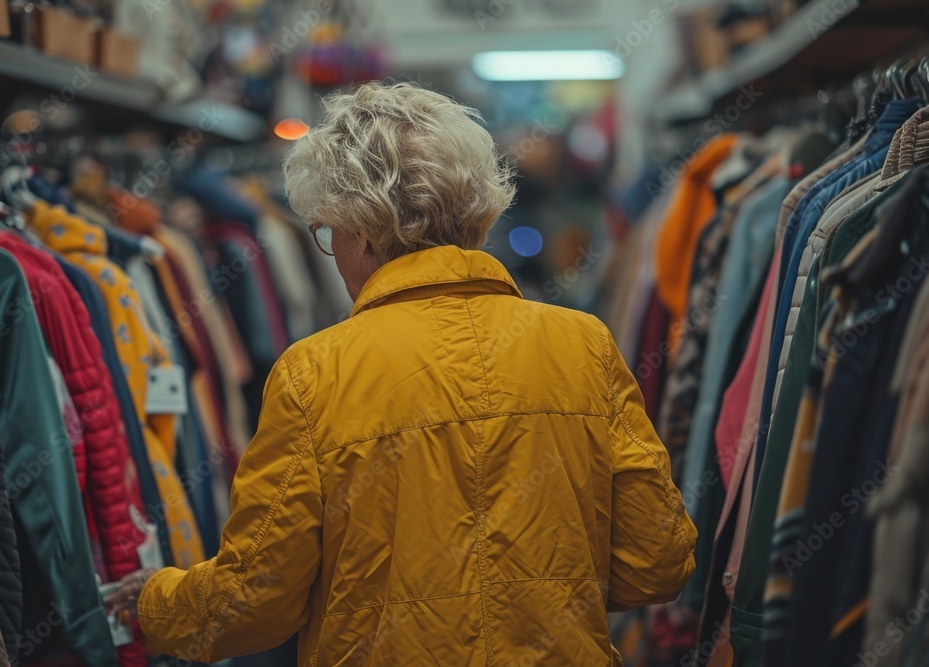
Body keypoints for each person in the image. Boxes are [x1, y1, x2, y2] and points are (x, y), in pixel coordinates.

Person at [109, 81, 696, 665]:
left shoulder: (315, 374)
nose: (332, 249)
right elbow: (657, 560)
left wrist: (153, 603)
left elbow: (255, 601)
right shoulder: (581, 344)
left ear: (360, 229)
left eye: (327, 231)